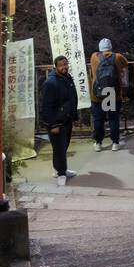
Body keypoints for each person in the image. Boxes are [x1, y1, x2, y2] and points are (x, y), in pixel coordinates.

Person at [41, 55, 79, 186]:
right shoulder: (50, 83)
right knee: (59, 148)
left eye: (66, 64)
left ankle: (59, 170)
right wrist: (53, 125)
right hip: (56, 122)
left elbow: (72, 98)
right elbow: (46, 106)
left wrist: (73, 115)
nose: (64, 67)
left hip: (66, 119)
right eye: (61, 65)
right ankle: (61, 174)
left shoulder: (66, 78)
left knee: (63, 147)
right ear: (56, 67)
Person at [89, 38, 129, 151]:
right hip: (112, 93)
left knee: (98, 119)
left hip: (97, 94)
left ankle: (98, 143)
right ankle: (115, 143)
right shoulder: (118, 57)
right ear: (110, 47)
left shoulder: (94, 57)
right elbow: (126, 64)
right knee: (113, 118)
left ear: (100, 48)